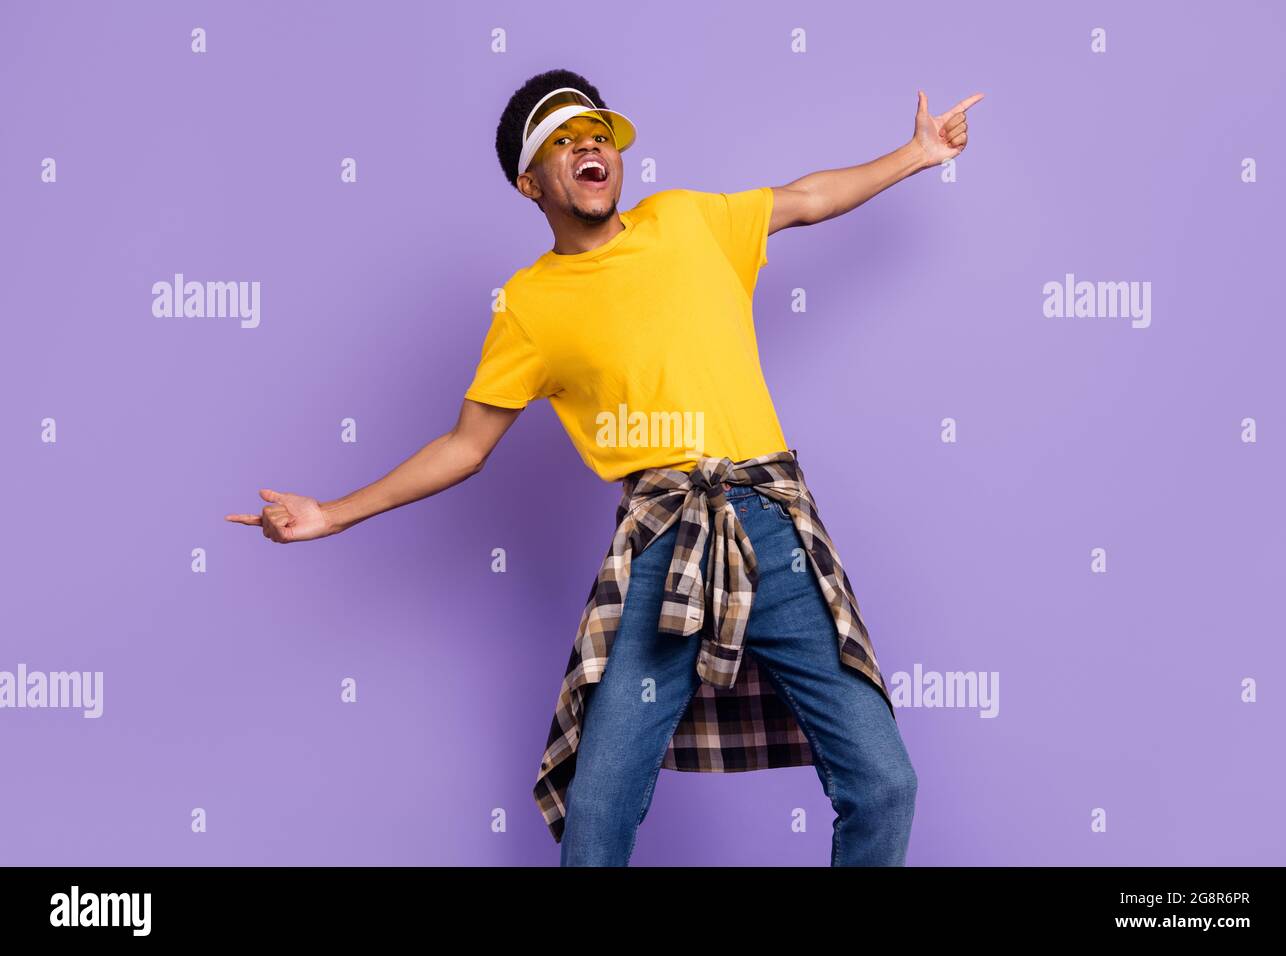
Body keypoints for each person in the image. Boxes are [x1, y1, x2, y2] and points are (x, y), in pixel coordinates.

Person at [226, 68, 983, 866]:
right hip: (663, 545)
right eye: (563, 142)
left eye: (597, 137)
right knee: (598, 807)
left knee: (884, 781)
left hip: (775, 526)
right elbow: (464, 447)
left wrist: (916, 152)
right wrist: (331, 513)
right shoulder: (529, 305)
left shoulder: (689, 221)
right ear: (530, 183)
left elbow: (806, 198)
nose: (589, 147)